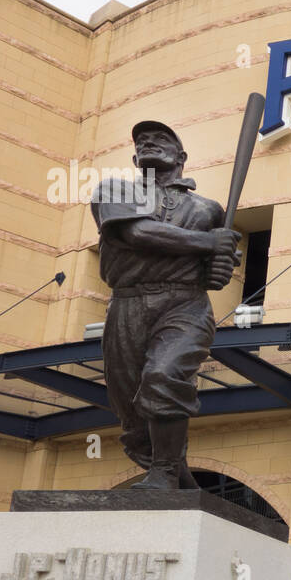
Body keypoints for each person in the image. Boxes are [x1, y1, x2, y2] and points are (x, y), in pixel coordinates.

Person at [89, 121, 241, 489]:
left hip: (184, 304)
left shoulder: (209, 210)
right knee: (132, 409)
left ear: (181, 156)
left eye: (160, 139)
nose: (148, 143)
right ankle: (178, 474)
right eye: (142, 141)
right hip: (127, 305)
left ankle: (164, 473)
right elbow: (136, 233)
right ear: (134, 158)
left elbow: (216, 273)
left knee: (163, 376)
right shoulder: (114, 189)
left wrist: (222, 263)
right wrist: (209, 244)